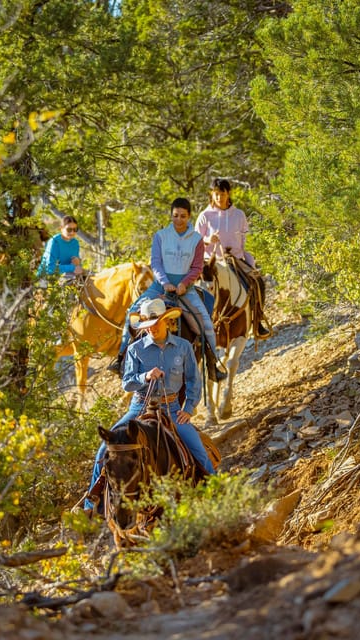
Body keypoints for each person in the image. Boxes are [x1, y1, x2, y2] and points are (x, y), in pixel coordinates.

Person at [85, 298, 216, 513]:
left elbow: (194, 380)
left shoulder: (183, 347)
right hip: (139, 409)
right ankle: (92, 503)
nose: (152, 329)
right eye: (147, 326)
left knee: (198, 451)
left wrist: (189, 408)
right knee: (104, 450)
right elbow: (127, 382)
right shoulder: (135, 349)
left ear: (167, 322)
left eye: (156, 324)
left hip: (172, 408)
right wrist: (145, 376)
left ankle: (215, 493)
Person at [107, 197, 227, 381]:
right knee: (131, 314)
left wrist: (184, 284)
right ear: (171, 215)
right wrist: (165, 282)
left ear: (189, 217)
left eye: (183, 216)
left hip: (185, 289)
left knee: (206, 324)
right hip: (159, 286)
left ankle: (212, 364)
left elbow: (196, 268)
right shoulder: (161, 236)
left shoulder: (196, 240)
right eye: (175, 215)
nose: (178, 220)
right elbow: (155, 262)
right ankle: (121, 358)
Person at [195, 178, 272, 340]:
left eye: (222, 194)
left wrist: (247, 257)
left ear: (228, 194)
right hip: (212, 262)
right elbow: (194, 241)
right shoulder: (205, 216)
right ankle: (197, 326)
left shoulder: (239, 215)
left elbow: (246, 239)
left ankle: (257, 322)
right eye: (215, 194)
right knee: (201, 288)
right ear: (212, 194)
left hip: (235, 259)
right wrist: (208, 241)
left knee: (257, 282)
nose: (218, 198)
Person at [37, 215, 84, 283]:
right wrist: (72, 268)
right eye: (69, 229)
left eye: (75, 229)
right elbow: (49, 269)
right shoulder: (54, 242)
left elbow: (76, 265)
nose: (72, 232)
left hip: (66, 277)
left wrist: (78, 264)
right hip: (45, 280)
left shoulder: (75, 243)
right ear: (61, 228)